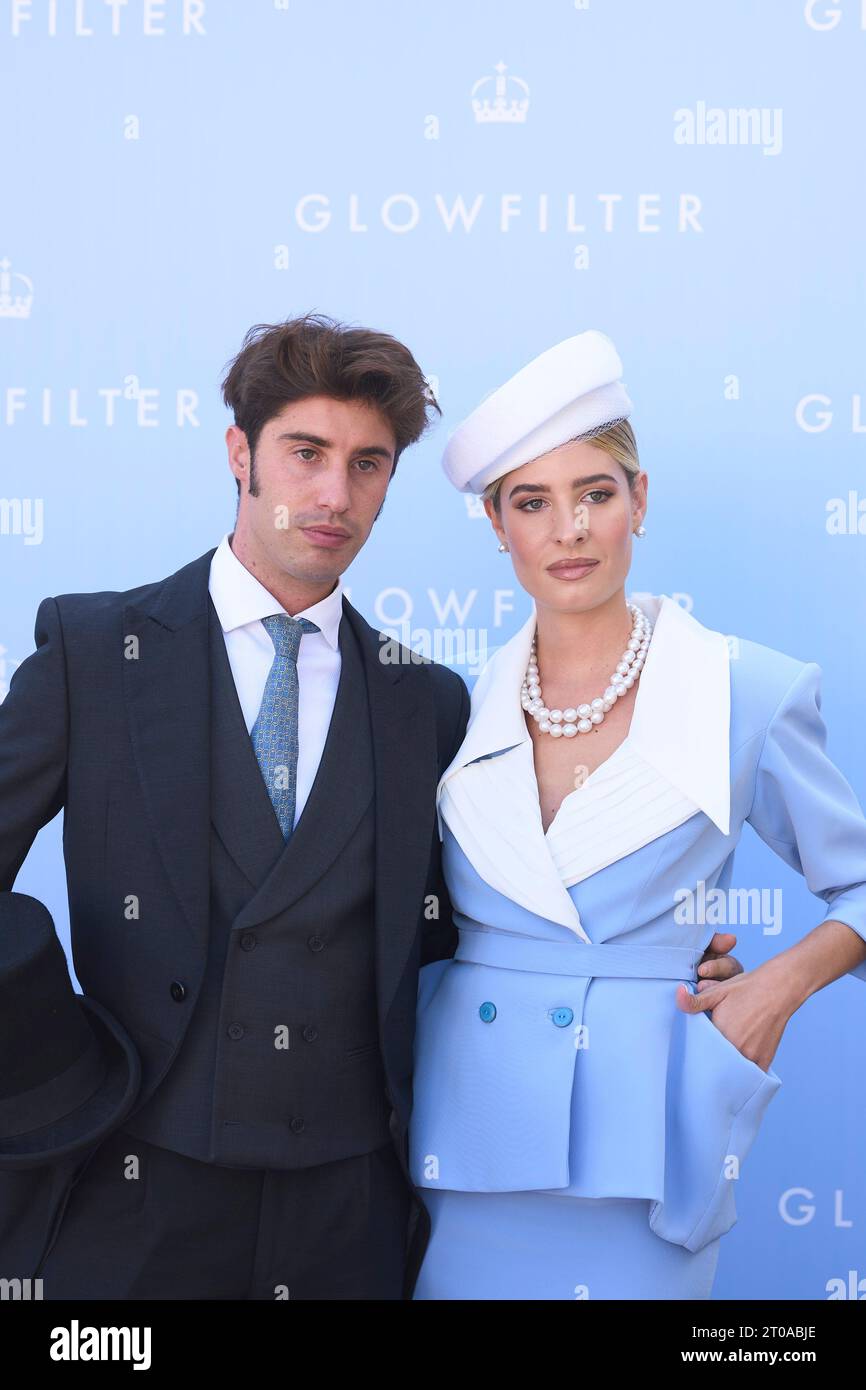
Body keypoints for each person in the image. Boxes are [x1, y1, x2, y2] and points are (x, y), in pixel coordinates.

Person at [0, 313, 742, 1301]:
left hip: (351, 1205)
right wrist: (57, 1074)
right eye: (305, 453)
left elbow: (470, 924)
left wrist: (652, 954)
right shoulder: (96, 652)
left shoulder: (425, 700)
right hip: (133, 1185)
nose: (333, 494)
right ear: (240, 454)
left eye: (368, 464)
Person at [408, 329, 866, 1300]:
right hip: (467, 1139)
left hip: (648, 1137)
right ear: (497, 525)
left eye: (595, 493)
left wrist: (770, 987)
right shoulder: (446, 709)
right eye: (531, 502)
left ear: (639, 501)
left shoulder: (747, 690)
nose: (567, 528)